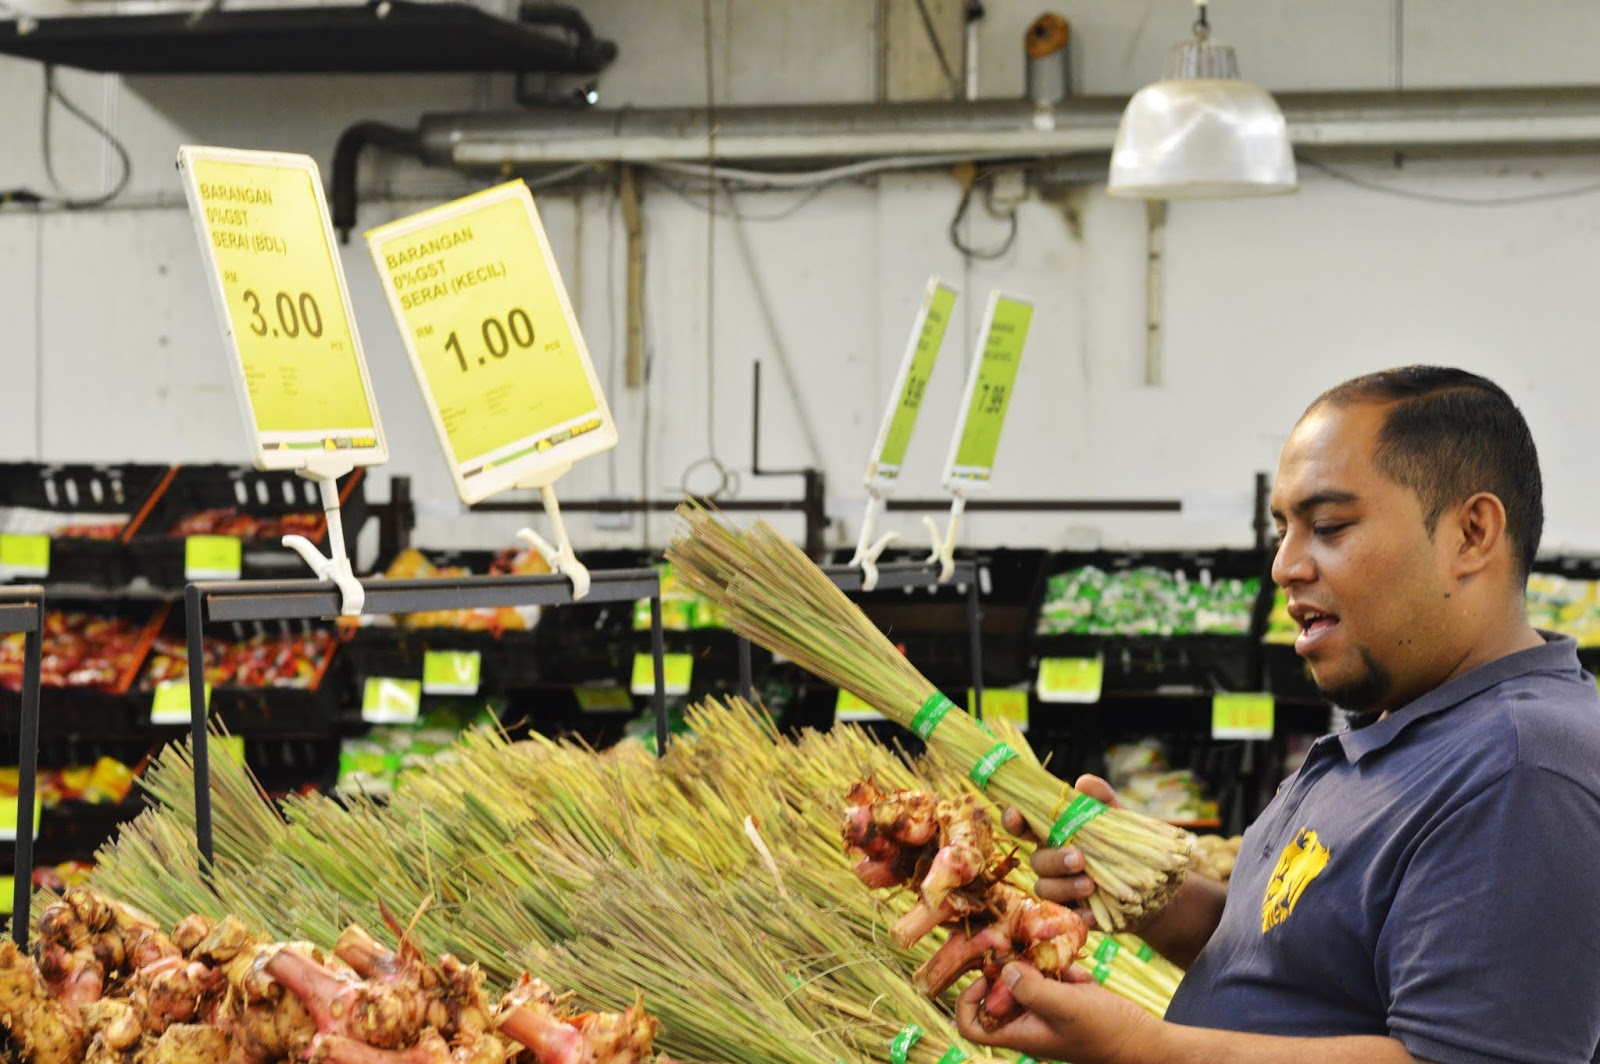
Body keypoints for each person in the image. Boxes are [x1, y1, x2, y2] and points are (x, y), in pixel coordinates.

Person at [957, 366, 1600, 1064]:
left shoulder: (1521, 766)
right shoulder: (1397, 728)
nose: (1284, 567)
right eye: (1283, 529)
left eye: (1328, 526)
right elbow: (1290, 959)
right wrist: (1147, 899)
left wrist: (1143, 1050)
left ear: (1471, 534)